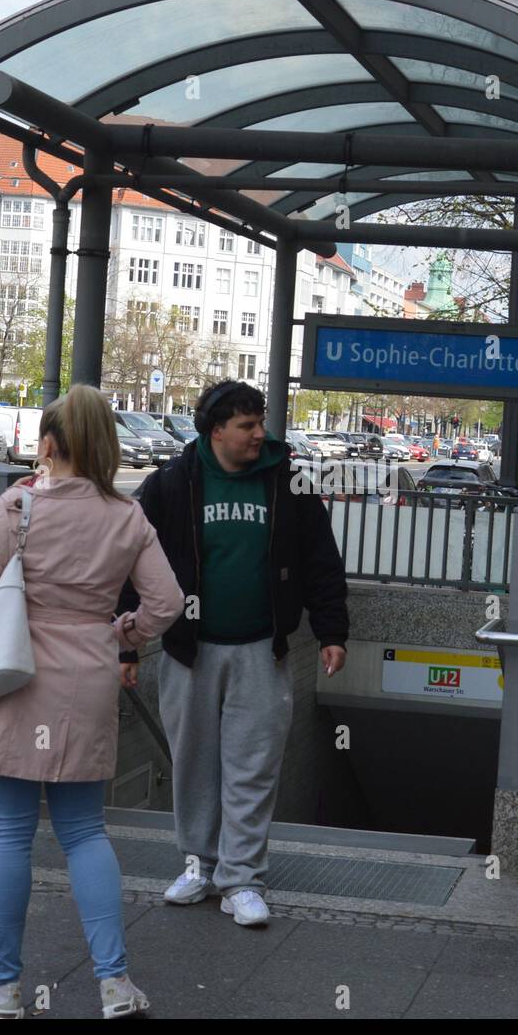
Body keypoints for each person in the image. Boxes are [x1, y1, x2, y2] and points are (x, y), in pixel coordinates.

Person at [0, 385, 184, 1019]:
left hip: (13, 677)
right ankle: (114, 982)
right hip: (85, 680)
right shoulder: (128, 517)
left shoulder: (18, 506)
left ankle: (1, 986)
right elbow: (164, 604)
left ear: (49, 445)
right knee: (85, 833)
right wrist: (120, 633)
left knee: (8, 837)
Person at [118, 382, 348, 926]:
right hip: (188, 650)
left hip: (261, 650)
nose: (258, 434)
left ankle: (242, 879)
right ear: (215, 429)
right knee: (194, 765)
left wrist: (332, 630)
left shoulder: (288, 484)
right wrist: (128, 644)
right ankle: (200, 866)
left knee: (253, 767)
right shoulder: (171, 484)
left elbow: (321, 560)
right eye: (247, 425)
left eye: (260, 422)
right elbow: (131, 561)